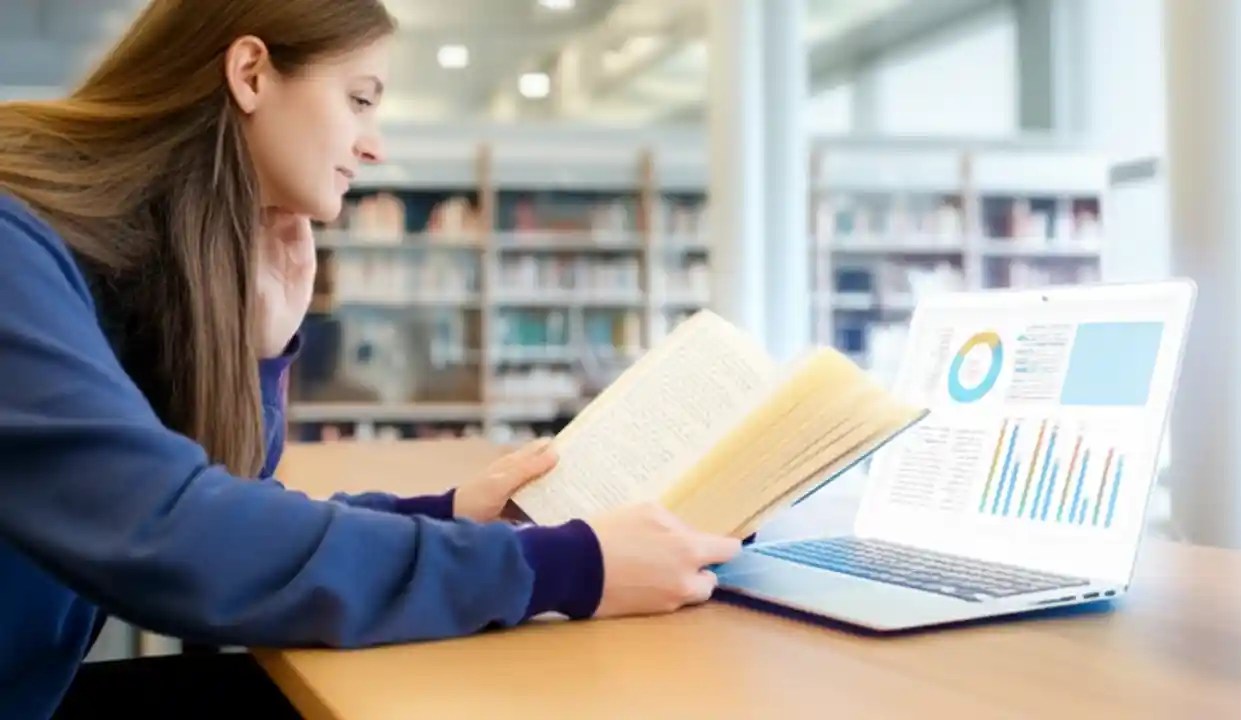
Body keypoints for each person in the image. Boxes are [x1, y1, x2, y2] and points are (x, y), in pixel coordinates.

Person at [0, 1, 742, 717]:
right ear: (252, 73)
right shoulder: (13, 248)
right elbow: (184, 542)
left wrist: (449, 516)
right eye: (359, 99)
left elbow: (220, 510)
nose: (374, 144)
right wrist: (566, 567)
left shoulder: (111, 263)